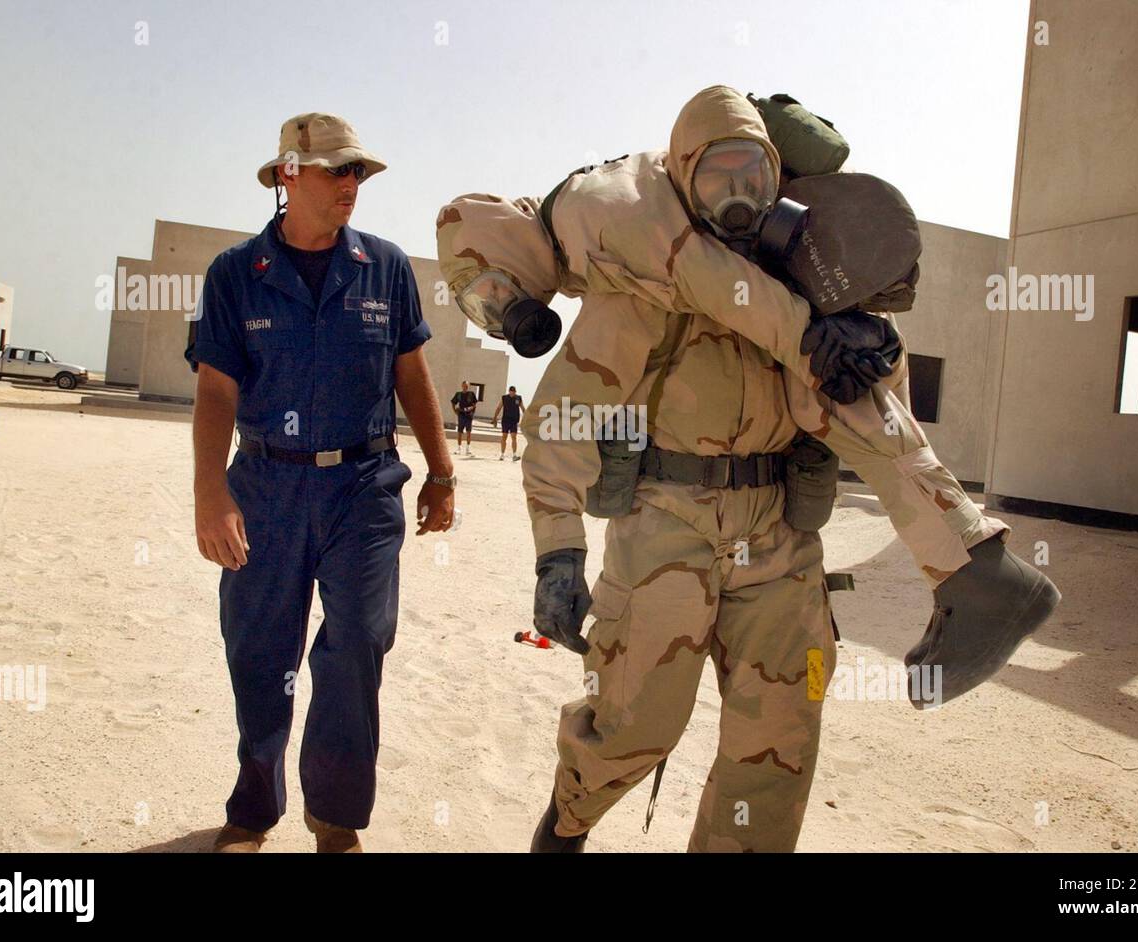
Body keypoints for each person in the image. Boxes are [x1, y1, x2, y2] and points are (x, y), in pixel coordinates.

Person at [438, 86, 1058, 712]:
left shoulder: (593, 216)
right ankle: (976, 569)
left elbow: (707, 277)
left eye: (493, 290)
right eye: (482, 307)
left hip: (769, 482)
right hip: (761, 300)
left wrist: (818, 342)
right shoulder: (603, 226)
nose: (503, 313)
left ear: (505, 242)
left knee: (828, 388)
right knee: (831, 397)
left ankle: (977, 573)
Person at [441, 88, 840, 852]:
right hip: (666, 520)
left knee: (782, 737)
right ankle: (565, 827)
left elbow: (866, 398)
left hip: (780, 530)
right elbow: (562, 417)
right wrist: (558, 554)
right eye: (715, 177)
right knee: (633, 720)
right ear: (685, 174)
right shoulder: (645, 276)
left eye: (749, 176)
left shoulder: (810, 272)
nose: (736, 196)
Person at [186, 112, 456, 854]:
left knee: (359, 644)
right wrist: (212, 493)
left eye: (358, 172)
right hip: (266, 486)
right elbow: (215, 391)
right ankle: (254, 806)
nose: (352, 184)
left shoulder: (387, 267)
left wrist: (442, 471)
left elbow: (411, 371)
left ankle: (335, 817)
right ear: (290, 175)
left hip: (363, 486)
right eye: (338, 170)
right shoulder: (236, 274)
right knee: (259, 650)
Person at [492, 385, 525, 460]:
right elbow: (499, 408)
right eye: (511, 391)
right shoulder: (504, 398)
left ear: (515, 392)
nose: (512, 393)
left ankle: (514, 455)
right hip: (505, 420)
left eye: (514, 391)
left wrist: (525, 417)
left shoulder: (518, 398)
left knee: (514, 437)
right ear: (509, 391)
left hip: (514, 421)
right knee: (504, 436)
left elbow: (523, 408)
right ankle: (502, 455)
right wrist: (495, 418)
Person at [451, 381, 478, 456]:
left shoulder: (471, 394)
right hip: (461, 415)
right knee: (460, 432)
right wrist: (455, 411)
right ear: (461, 386)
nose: (465, 387)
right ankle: (459, 448)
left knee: (468, 432)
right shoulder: (458, 394)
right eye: (464, 386)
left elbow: (475, 404)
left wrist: (471, 408)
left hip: (469, 415)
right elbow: (453, 402)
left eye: (466, 386)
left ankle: (468, 449)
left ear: (468, 386)